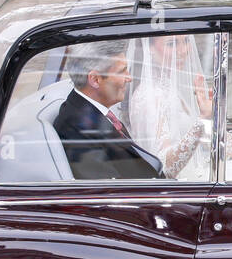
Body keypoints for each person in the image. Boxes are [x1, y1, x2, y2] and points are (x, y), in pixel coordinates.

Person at [124, 34, 232, 180]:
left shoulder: (170, 87)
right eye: (172, 44)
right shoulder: (148, 97)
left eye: (185, 41)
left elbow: (211, 137)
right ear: (149, 50)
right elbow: (164, 170)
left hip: (200, 174)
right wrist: (202, 120)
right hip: (184, 189)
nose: (183, 51)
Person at [52, 39, 163, 180]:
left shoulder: (92, 113)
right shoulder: (75, 130)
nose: (129, 78)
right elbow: (109, 192)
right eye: (122, 71)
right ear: (95, 80)